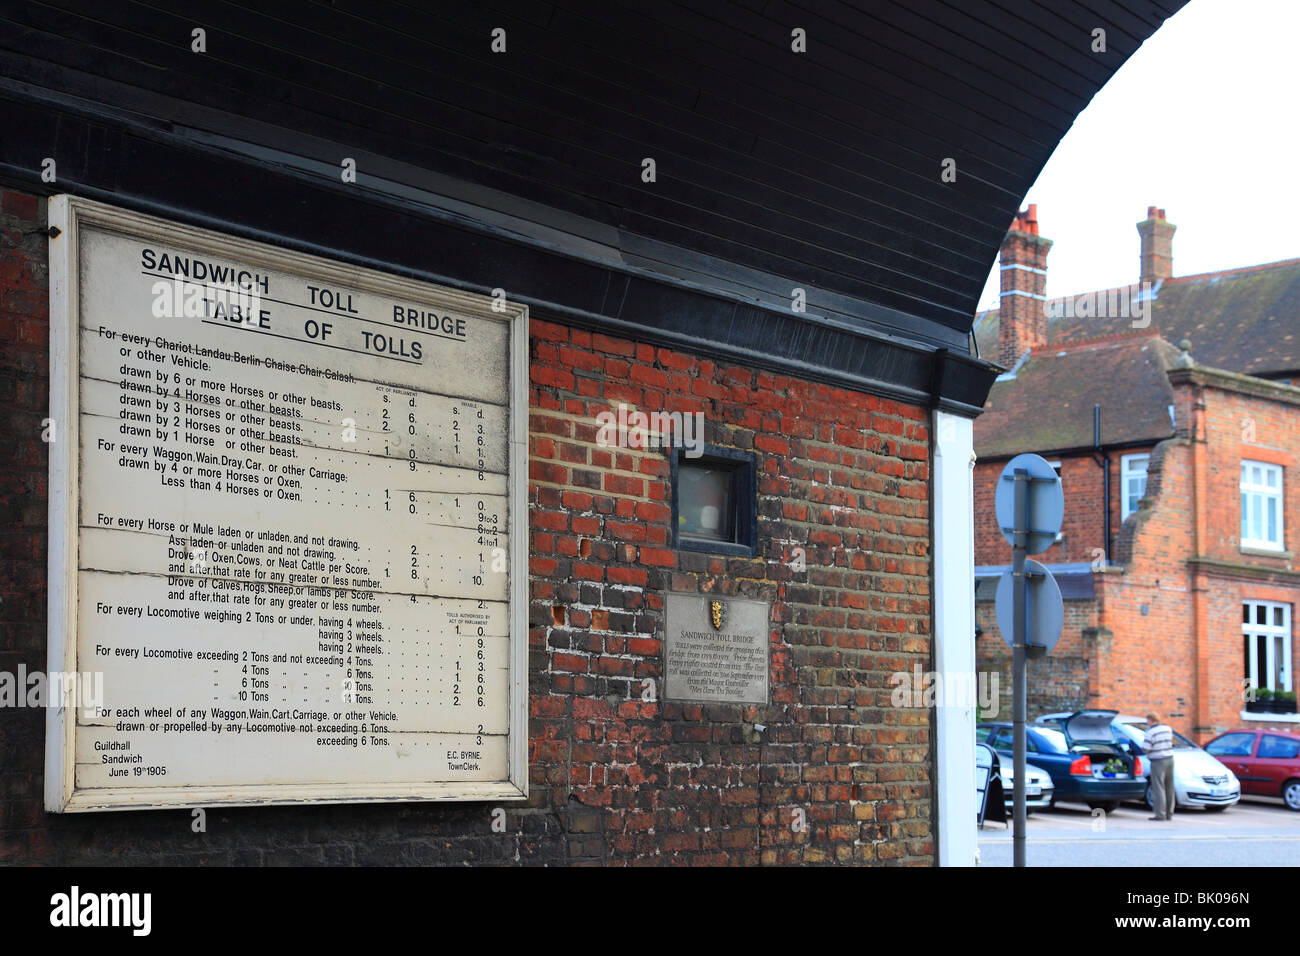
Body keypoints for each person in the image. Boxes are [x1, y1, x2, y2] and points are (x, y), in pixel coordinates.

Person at [1143, 712, 1175, 821]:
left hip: (1158, 760)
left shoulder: (1150, 732)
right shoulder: (1167, 729)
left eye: (1147, 720)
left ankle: (1160, 814)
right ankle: (1169, 813)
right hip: (1170, 759)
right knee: (1169, 787)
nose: (1147, 723)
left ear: (1151, 720)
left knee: (1158, 787)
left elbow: (1146, 748)